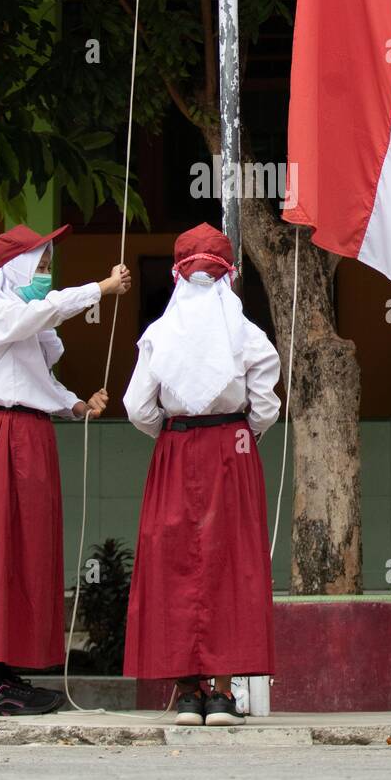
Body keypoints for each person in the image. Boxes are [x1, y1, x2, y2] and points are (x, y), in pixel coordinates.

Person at [0, 224, 131, 712]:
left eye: (46, 266)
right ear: (13, 269)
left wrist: (77, 405)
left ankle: (10, 672)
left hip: (34, 434)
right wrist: (100, 288)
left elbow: (40, 380)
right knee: (4, 551)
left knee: (31, 551)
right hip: (10, 436)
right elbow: (46, 308)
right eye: (38, 265)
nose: (44, 274)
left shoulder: (21, 322)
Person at [122, 222, 281, 726]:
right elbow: (266, 404)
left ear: (176, 275)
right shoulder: (246, 332)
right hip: (230, 448)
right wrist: (239, 433)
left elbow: (136, 407)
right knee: (230, 561)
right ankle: (221, 694)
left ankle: (186, 692)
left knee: (174, 561)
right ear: (229, 276)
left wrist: (173, 435)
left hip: (175, 444)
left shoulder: (159, 334)